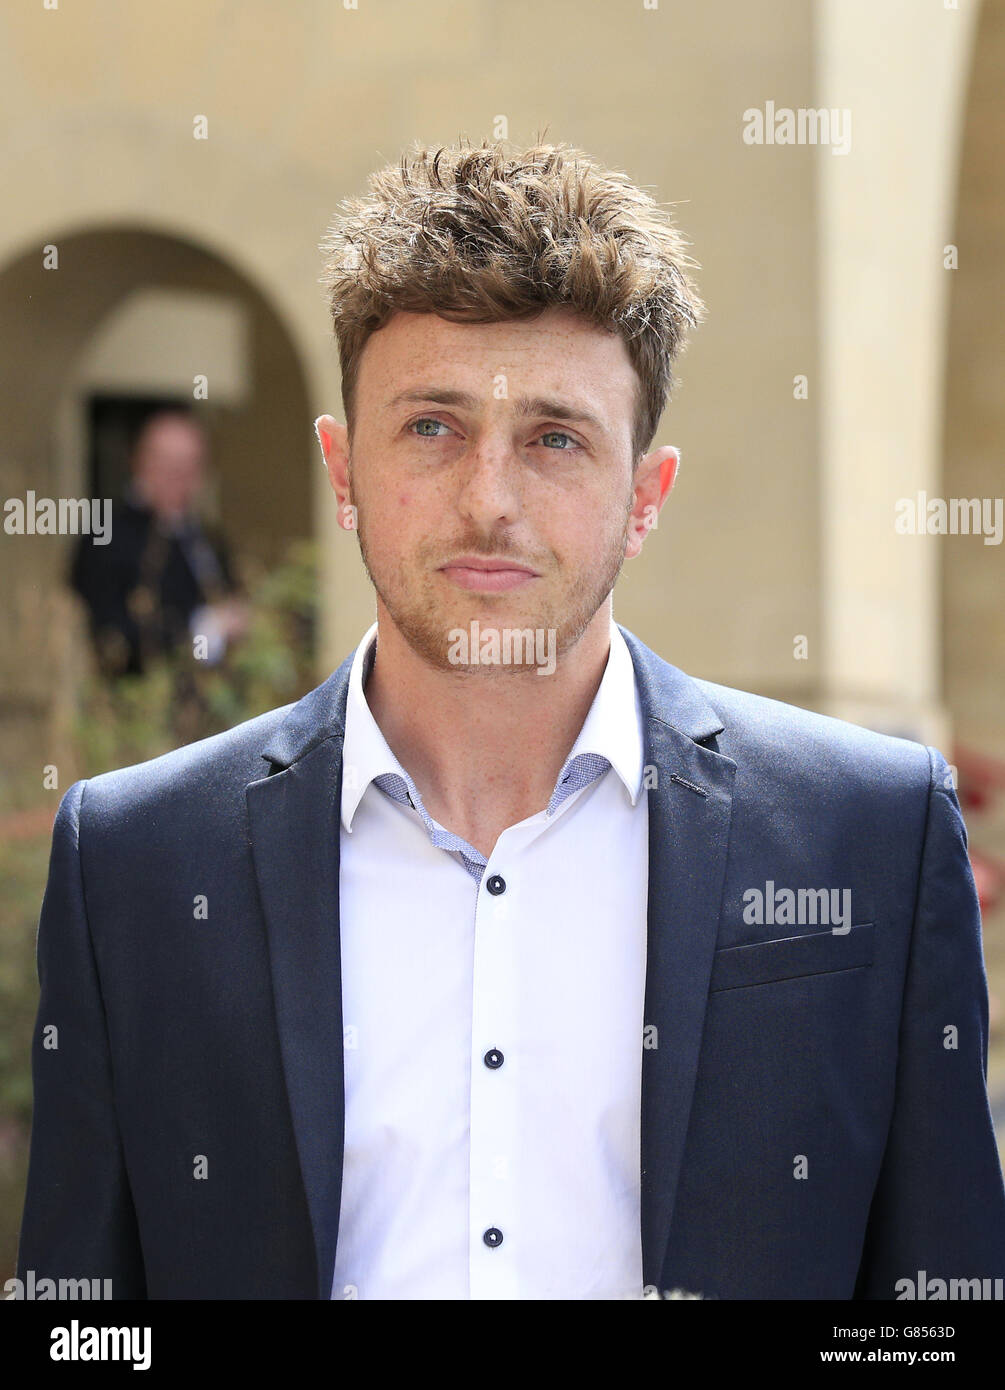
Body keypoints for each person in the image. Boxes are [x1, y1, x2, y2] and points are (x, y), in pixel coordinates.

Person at [15, 138, 1005, 1300]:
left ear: (646, 496)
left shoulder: (869, 834)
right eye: (431, 427)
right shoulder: (134, 860)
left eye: (554, 438)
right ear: (342, 470)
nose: (490, 499)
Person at [70, 408, 248, 676]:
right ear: (140, 462)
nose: (181, 478)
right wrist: (201, 629)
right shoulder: (105, 535)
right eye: (169, 465)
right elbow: (109, 632)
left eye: (191, 466)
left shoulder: (206, 536)